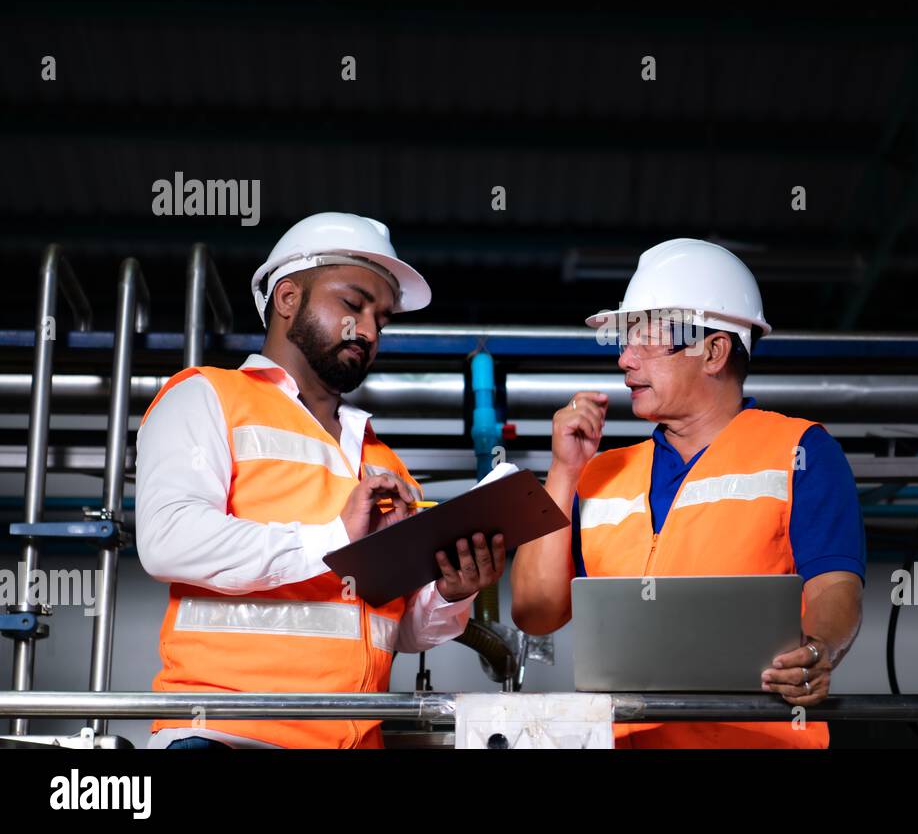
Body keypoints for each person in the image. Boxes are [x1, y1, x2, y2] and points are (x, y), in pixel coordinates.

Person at [135, 212, 504, 748]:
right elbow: (168, 540)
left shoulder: (385, 463)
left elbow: (396, 632)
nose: (371, 330)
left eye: (382, 317)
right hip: (224, 735)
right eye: (353, 305)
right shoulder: (208, 397)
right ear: (288, 299)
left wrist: (449, 593)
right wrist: (336, 537)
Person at [511, 238, 864, 748]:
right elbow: (536, 611)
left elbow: (835, 587)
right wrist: (563, 473)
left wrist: (819, 651)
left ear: (714, 351)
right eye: (625, 342)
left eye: (645, 340)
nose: (624, 360)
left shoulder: (798, 450)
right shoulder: (599, 473)